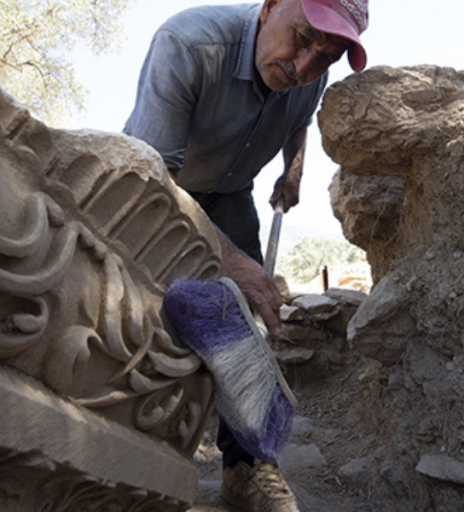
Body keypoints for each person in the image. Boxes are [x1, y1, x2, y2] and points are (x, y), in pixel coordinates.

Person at [124, 1, 368, 510]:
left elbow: (298, 118)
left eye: (324, 58)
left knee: (249, 324)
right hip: (153, 192)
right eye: (301, 38)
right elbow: (153, 181)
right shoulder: (189, 44)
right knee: (142, 318)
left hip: (230, 195)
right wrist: (230, 261)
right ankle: (127, 458)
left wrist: (293, 170)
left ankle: (246, 467)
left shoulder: (307, 77)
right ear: (273, 5)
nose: (303, 66)